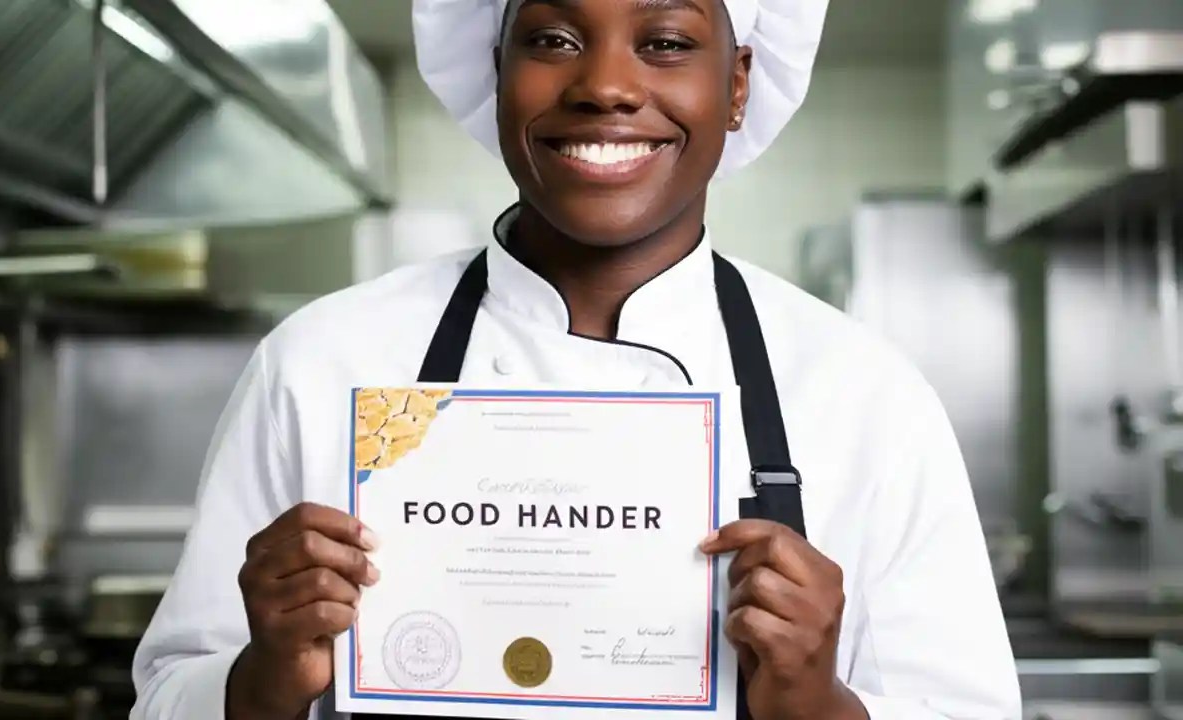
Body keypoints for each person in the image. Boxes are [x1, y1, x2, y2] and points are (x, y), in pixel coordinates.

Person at [131, 0, 1021, 718]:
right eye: (553, 39)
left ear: (738, 83)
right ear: (496, 71)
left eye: (666, 41)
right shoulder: (320, 363)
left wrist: (820, 707)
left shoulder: (864, 395)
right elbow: (167, 697)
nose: (605, 86)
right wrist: (261, 682)